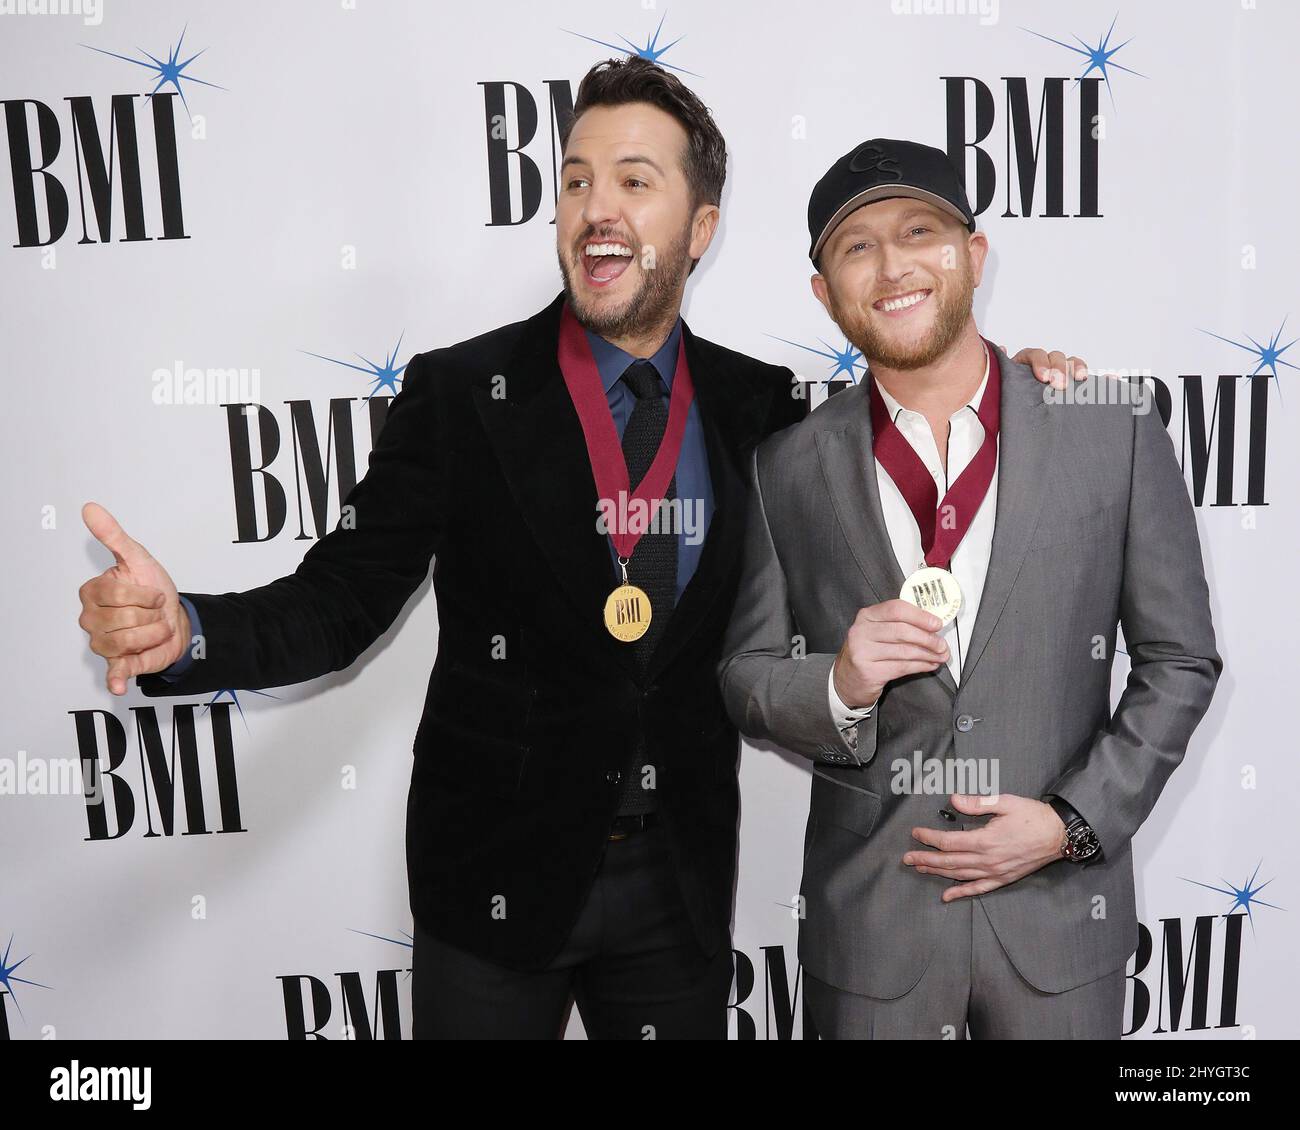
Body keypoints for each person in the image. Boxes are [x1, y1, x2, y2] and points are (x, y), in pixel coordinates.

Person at [76, 67, 1083, 1040]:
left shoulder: (760, 407)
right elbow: (339, 600)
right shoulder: (461, 395)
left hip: (677, 894)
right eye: (575, 180)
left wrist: (1007, 393)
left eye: (634, 181)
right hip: (494, 886)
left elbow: (903, 462)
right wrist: (190, 630)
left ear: (699, 229)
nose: (595, 207)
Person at [718, 138, 1220, 1040]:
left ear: (974, 256)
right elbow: (747, 676)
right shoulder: (783, 469)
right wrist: (837, 685)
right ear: (824, 294)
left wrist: (1070, 822)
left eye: (920, 231)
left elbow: (1179, 659)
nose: (893, 264)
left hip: (1061, 929)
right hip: (872, 941)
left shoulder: (1111, 428)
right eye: (855, 246)